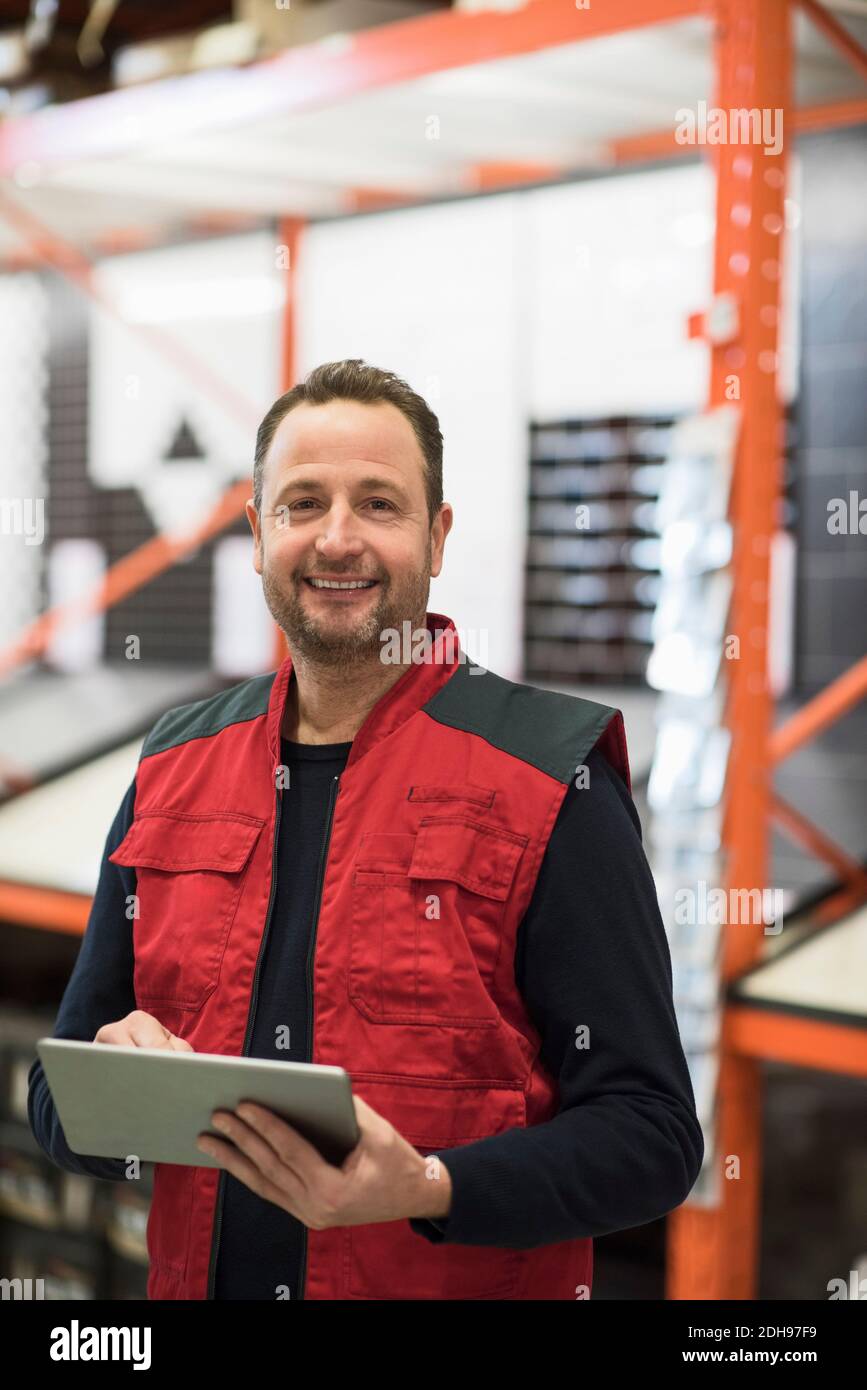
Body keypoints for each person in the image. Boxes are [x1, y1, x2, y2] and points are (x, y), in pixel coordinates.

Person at [29, 358, 703, 1301]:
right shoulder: (172, 766)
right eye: (303, 504)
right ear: (259, 532)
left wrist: (430, 1187)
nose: (336, 540)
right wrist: (114, 1092)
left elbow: (651, 1135)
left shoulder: (553, 774)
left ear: (435, 536)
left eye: (378, 505)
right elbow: (56, 1101)